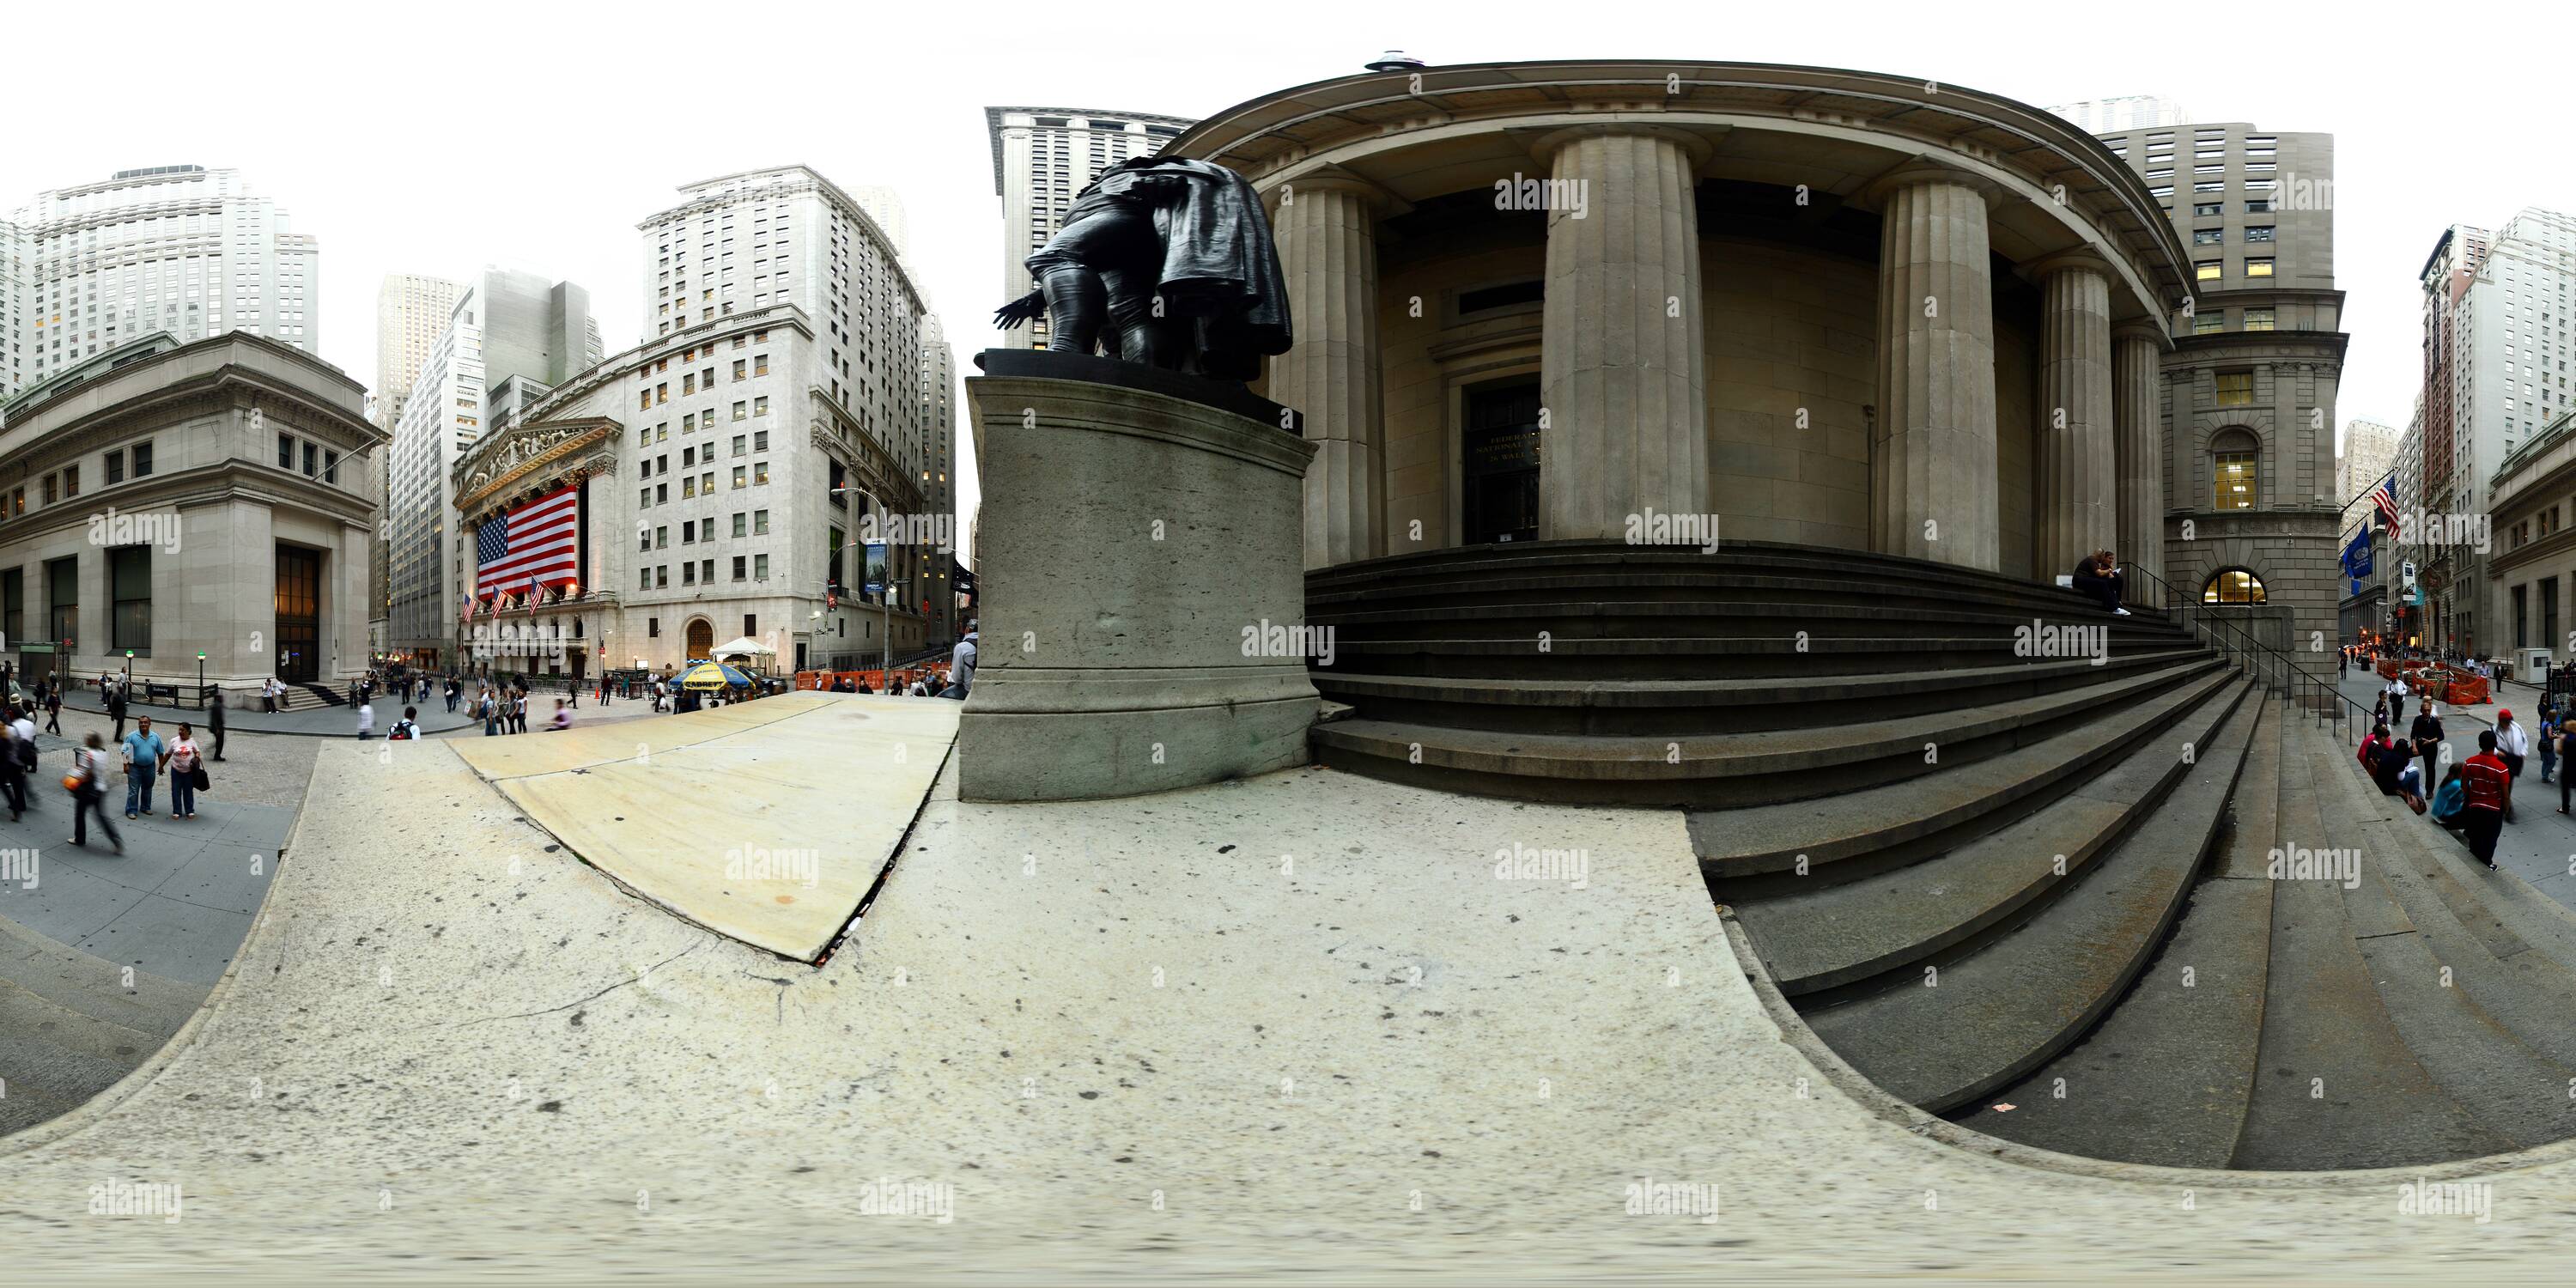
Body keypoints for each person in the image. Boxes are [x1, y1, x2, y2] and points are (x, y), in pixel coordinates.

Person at [2463, 730, 2514, 871]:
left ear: (2479, 744)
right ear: (2496, 744)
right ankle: (2486, 862)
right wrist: (2506, 808)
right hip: (2493, 809)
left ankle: (2474, 855)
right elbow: (2505, 794)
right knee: (2490, 838)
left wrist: (2470, 799)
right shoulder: (2502, 769)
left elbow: (2464, 786)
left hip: (2475, 806)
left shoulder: (2469, 763)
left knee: (2475, 834)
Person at [68, 732, 121, 854]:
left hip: (88, 790)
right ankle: (116, 840)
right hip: (101, 788)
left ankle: (80, 838)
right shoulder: (103, 753)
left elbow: (84, 773)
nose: (86, 740)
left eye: (87, 739)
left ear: (91, 741)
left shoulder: (88, 755)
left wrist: (71, 776)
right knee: (101, 816)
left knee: (80, 814)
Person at [120, 715, 167, 820]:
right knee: (133, 790)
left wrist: (161, 766)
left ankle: (145, 807)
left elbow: (160, 752)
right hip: (135, 767)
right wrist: (125, 765)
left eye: (145, 722)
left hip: (150, 767)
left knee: (147, 788)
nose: (143, 724)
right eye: (141, 722)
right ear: (138, 724)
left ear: (150, 724)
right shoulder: (131, 736)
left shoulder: (155, 737)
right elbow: (125, 751)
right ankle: (131, 810)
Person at [2372, 735, 2428, 814]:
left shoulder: (2388, 754)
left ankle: (2417, 796)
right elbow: (2401, 778)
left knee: (2413, 779)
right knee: (2415, 774)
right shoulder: (2400, 759)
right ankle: (2417, 800)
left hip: (2381, 783)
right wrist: (2406, 770)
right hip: (2390, 788)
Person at [2070, 549, 2130, 616]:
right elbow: (2099, 573)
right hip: (2079, 581)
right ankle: (2114, 609)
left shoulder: (2093, 560)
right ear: (2100, 556)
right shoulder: (2092, 559)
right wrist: (2109, 570)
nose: (2102, 559)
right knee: (2103, 583)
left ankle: (2118, 606)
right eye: (2103, 557)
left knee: (2108, 583)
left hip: (2085, 580)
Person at [167, 723, 202, 820]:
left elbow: (197, 751)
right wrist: (161, 766)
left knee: (188, 791)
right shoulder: (174, 741)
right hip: (176, 770)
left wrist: (197, 757)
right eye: (179, 730)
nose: (180, 732)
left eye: (182, 730)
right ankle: (177, 811)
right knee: (176, 791)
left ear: (188, 731)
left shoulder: (192, 741)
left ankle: (190, 810)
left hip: (189, 772)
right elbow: (168, 754)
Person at [2410, 702, 2445, 794]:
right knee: (2404, 754)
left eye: (2428, 710)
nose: (2426, 712)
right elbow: (2413, 734)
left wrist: (2430, 741)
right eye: (2424, 710)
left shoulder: (2434, 721)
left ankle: (2429, 791)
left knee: (2430, 769)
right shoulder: (2417, 719)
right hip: (2419, 745)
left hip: (2431, 747)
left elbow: (2441, 736)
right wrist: (2414, 747)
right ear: (2421, 711)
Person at [945, 623, 979, 699]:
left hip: (969, 689)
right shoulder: (988, 644)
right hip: (987, 688)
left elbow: (956, 676)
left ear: (967, 630)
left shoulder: (961, 647)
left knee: (940, 697)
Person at [2430, 764, 2469, 830]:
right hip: (2444, 814)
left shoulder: (2449, 780)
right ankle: (2447, 827)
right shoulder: (2457, 784)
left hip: (2439, 812)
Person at [2499, 708, 2530, 781]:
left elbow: (2524, 739)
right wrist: (2497, 752)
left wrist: (2524, 752)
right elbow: (2489, 746)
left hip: (2515, 760)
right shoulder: (2494, 730)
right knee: (2502, 782)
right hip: (2502, 760)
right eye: (2506, 721)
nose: (2509, 723)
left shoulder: (2517, 727)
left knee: (2510, 780)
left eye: (2509, 721)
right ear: (2501, 721)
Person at [207, 689, 228, 762]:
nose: (223, 699)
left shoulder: (218, 705)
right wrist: (217, 728)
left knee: (219, 742)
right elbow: (214, 719)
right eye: (221, 698)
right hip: (218, 727)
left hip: (218, 727)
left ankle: (217, 754)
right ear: (218, 698)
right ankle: (217, 756)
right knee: (220, 742)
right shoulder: (216, 706)